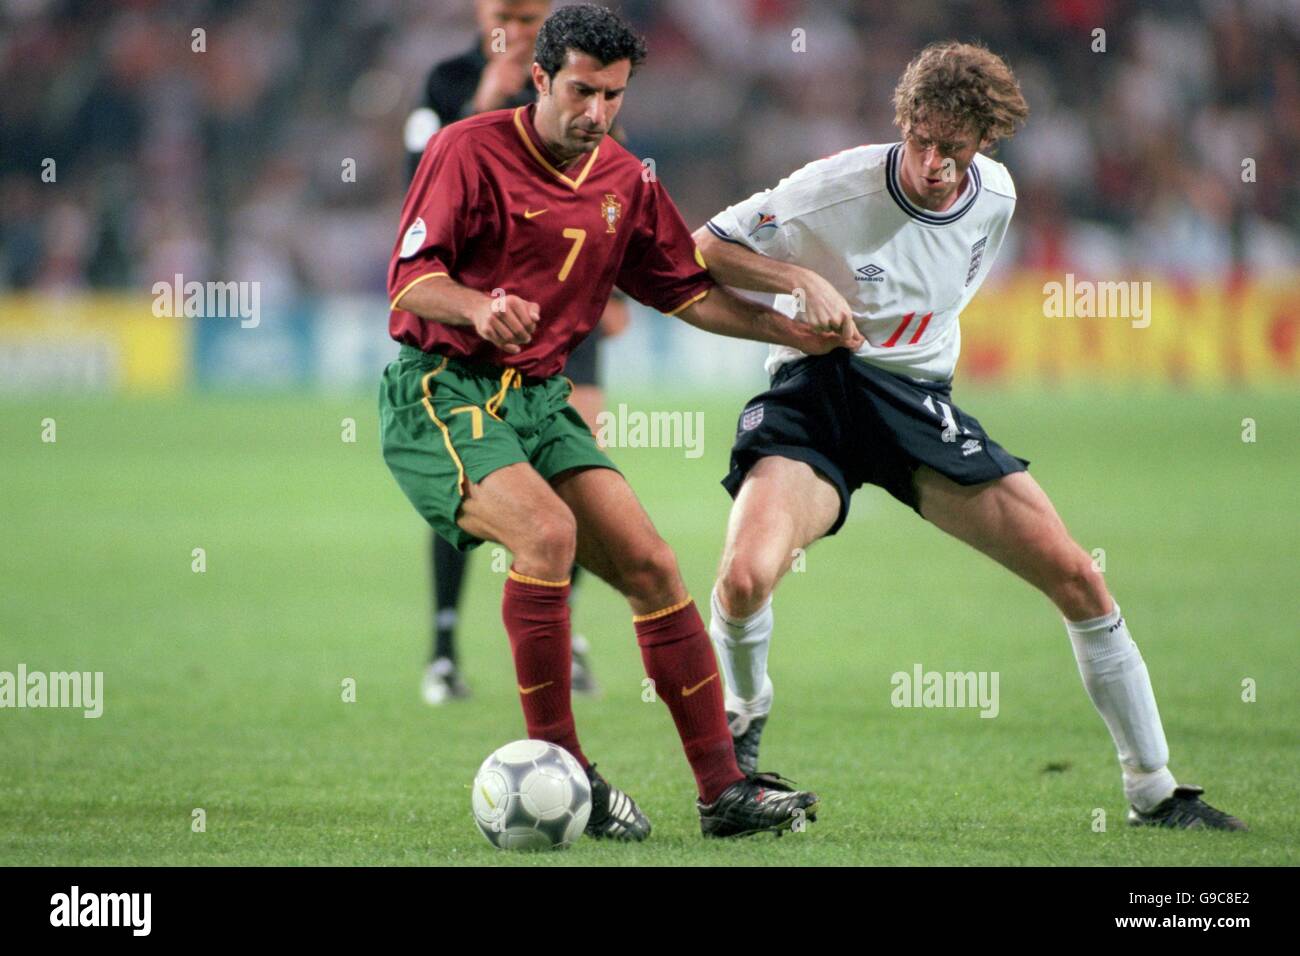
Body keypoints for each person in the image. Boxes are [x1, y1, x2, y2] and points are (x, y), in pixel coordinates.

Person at [695, 40, 1246, 831]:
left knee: (1079, 580)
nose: (930, 162)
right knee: (744, 579)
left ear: (984, 142)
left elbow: (945, 294)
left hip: (918, 404)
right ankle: (743, 725)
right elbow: (705, 247)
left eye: (951, 149)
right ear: (905, 122)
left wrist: (918, 360)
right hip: (817, 392)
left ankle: (1154, 790)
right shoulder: (832, 189)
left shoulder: (997, 197)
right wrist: (799, 281)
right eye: (918, 140)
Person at [380, 4, 849, 838]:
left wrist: (785, 327)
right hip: (442, 391)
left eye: (613, 97)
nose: (595, 114)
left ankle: (723, 792)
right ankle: (569, 778)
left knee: (652, 565)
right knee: (548, 538)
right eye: (581, 92)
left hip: (539, 399)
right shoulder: (467, 149)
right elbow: (410, 283)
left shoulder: (625, 180)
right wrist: (480, 308)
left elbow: (687, 289)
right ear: (540, 79)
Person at [403, 0, 623, 704]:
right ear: (482, 10)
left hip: (561, 317)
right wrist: (487, 99)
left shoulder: (580, 81)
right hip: (472, 315)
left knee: (579, 465)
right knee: (473, 479)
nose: (519, 23)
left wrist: (613, 288)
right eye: (508, 11)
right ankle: (444, 647)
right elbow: (420, 174)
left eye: (531, 12)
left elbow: (605, 195)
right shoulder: (446, 80)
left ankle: (565, 627)